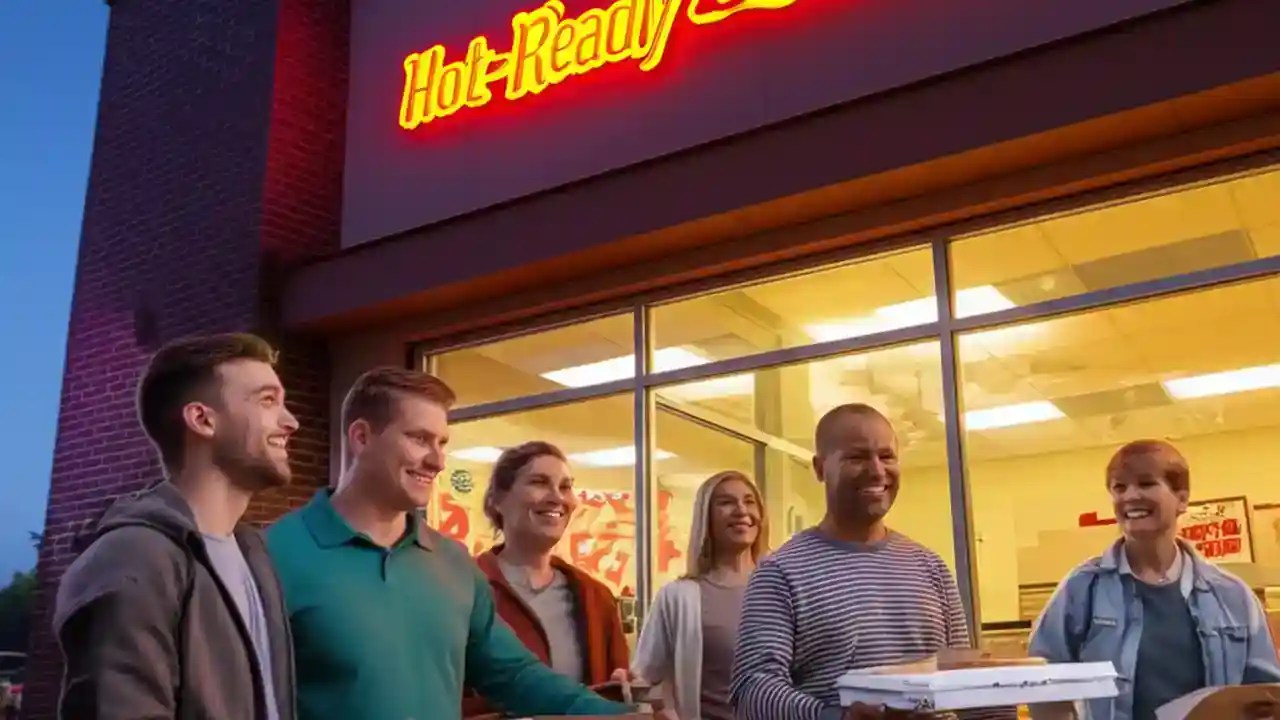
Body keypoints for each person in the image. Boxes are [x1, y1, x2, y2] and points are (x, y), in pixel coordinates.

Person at [266, 367, 635, 720]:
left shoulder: (453, 563)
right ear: (361, 437)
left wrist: (625, 716)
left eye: (442, 443)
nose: (438, 461)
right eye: (419, 439)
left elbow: (514, 675)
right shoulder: (273, 556)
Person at [53, 333, 299, 720]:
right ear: (202, 419)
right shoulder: (132, 558)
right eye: (267, 401)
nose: (291, 422)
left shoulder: (254, 556)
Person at [729, 403, 1014, 720]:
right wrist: (838, 717)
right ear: (820, 468)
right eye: (857, 457)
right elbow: (752, 690)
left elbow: (964, 681)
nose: (878, 471)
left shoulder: (930, 567)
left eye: (887, 456)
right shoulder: (781, 573)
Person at [1028, 439, 1280, 720]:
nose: (1129, 496)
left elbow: (1264, 697)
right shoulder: (1083, 588)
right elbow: (1043, 679)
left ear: (1182, 499)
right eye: (1119, 487)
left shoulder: (1232, 595)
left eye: (1146, 484)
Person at [463, 441, 632, 717]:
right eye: (539, 482)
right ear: (497, 499)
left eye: (565, 487)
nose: (557, 497)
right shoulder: (462, 585)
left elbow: (615, 688)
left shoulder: (595, 595)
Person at [632, 470, 769, 720]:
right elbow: (644, 680)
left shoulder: (783, 587)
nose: (741, 510)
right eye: (726, 503)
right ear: (706, 517)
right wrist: (664, 712)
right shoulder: (677, 598)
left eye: (749, 502)